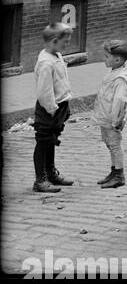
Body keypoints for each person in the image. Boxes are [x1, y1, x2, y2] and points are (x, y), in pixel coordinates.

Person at [32, 23, 74, 192]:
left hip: (59, 106)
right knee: (43, 142)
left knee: (51, 141)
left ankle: (51, 173)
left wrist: (66, 104)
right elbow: (44, 92)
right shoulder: (45, 63)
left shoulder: (56, 55)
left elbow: (62, 82)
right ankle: (40, 180)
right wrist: (52, 110)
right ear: (55, 41)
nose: (68, 44)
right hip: (49, 109)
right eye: (66, 41)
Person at [94, 39, 127, 188]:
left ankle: (119, 175)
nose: (104, 59)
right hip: (106, 116)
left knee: (115, 145)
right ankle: (113, 171)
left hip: (112, 118)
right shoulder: (114, 73)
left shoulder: (121, 79)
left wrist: (116, 120)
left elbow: (120, 101)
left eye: (106, 56)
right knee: (110, 144)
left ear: (117, 60)